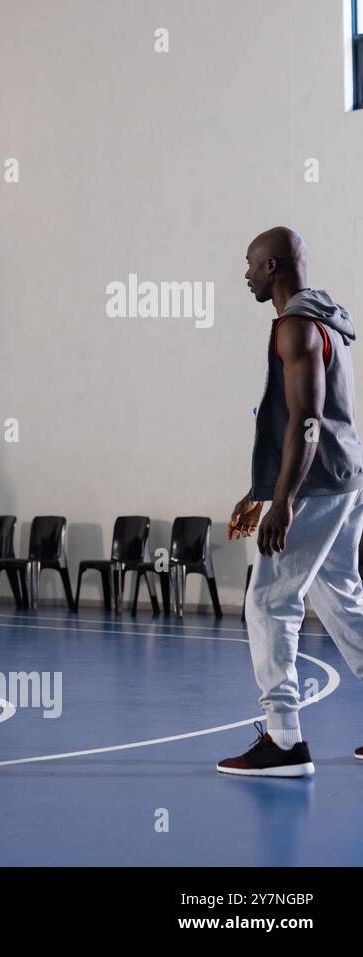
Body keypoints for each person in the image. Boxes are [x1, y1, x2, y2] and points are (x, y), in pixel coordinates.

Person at [221, 226, 363, 776]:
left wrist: (282, 504)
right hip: (343, 480)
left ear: (274, 266)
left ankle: (284, 742)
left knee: (268, 602)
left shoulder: (297, 328)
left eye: (252, 264)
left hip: (317, 487)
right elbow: (296, 423)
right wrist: (260, 492)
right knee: (339, 601)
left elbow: (306, 423)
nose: (247, 274)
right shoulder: (321, 321)